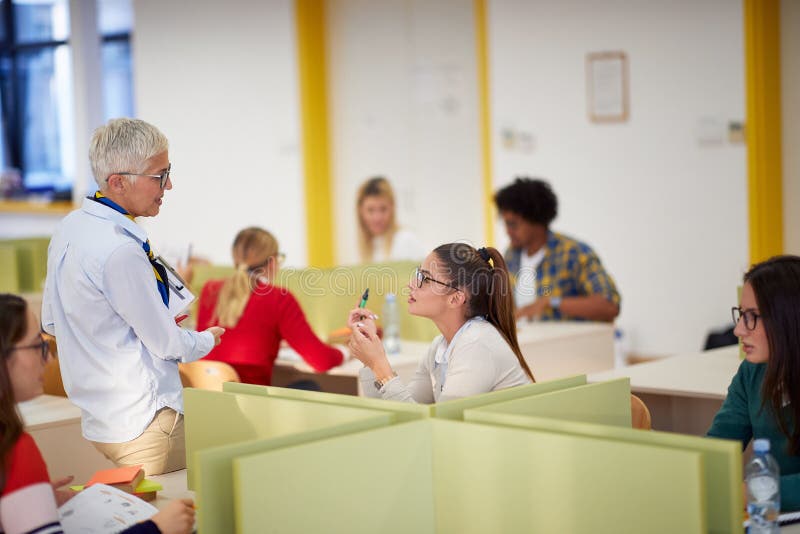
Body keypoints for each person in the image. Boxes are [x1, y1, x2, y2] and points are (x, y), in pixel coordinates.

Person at [41, 118, 224, 476]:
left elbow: (51, 321)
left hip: (102, 421)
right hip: (147, 422)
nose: (168, 185)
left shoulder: (70, 229)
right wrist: (206, 339)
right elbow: (169, 345)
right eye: (159, 175)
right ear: (118, 182)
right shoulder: (119, 250)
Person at [0, 294, 195, 534]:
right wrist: (156, 528)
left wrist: (27, 498)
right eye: (38, 347)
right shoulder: (14, 449)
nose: (49, 358)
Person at [347, 242, 534, 403]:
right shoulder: (440, 347)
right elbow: (397, 414)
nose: (411, 284)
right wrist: (370, 361)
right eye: (417, 274)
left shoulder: (476, 344)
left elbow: (434, 430)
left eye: (425, 278)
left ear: (455, 298)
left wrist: (379, 363)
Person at [707, 255, 800, 511]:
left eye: (752, 316)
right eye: (740, 315)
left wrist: (753, 493)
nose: (738, 330)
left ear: (788, 319)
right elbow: (717, 446)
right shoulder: (752, 372)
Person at [196, 227, 344, 386]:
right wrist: (344, 352)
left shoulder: (209, 290)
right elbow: (321, 361)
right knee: (308, 386)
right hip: (251, 406)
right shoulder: (279, 298)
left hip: (207, 403)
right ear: (272, 262)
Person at [494, 177, 621, 322]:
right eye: (506, 224)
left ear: (536, 221)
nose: (507, 231)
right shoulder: (511, 255)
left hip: (568, 343)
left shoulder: (573, 253)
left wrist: (551, 302)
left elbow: (610, 305)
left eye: (513, 224)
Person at [356, 176, 424, 263]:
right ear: (360, 210)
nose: (377, 218)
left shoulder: (405, 240)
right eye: (370, 210)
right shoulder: (369, 247)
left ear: (392, 207)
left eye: (383, 209)